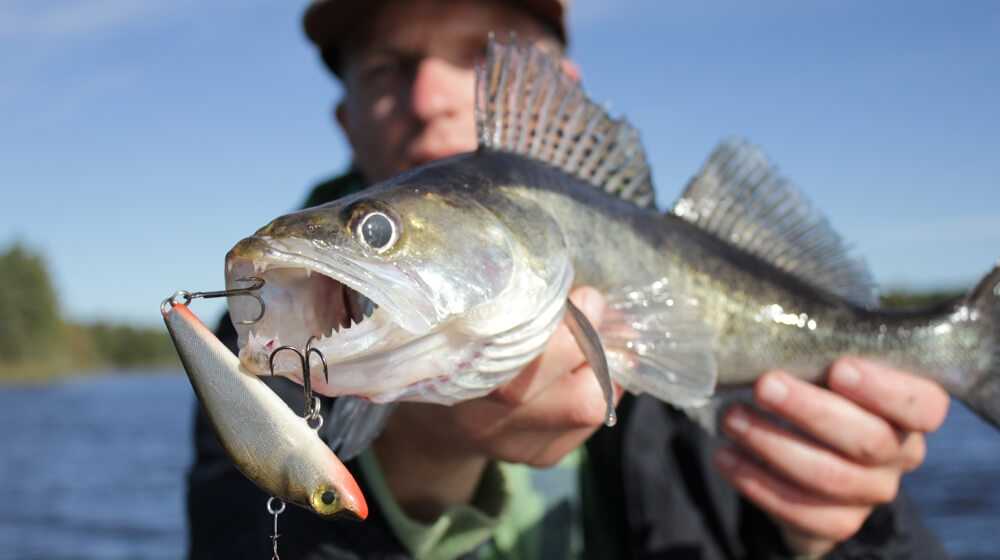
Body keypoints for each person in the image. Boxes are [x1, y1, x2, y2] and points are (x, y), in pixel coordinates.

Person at [188, 1, 952, 558]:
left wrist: (832, 533)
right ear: (346, 116)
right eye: (388, 68)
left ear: (562, 83)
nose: (428, 98)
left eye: (480, 55)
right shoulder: (267, 336)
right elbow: (244, 534)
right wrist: (419, 459)